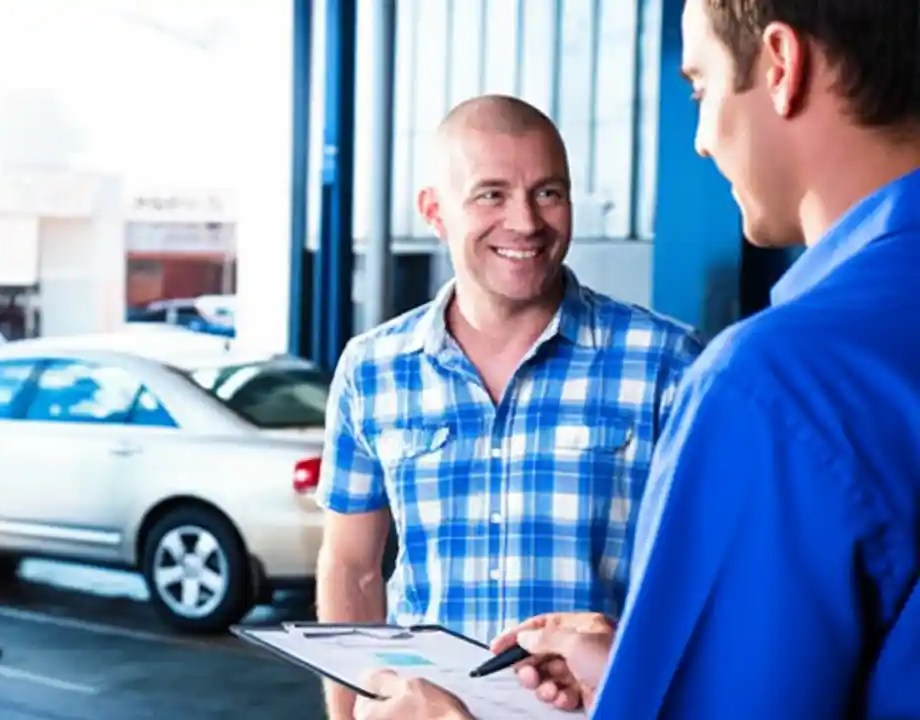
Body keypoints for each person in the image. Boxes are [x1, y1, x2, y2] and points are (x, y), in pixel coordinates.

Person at [353, 0, 920, 717]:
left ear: (781, 66)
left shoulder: (771, 385)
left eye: (700, 87)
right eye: (491, 194)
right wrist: (633, 670)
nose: (703, 140)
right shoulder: (372, 365)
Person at [315, 95, 702, 719]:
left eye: (548, 192)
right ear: (435, 212)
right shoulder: (372, 369)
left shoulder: (667, 363)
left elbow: (707, 584)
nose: (526, 222)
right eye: (491, 194)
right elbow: (354, 566)